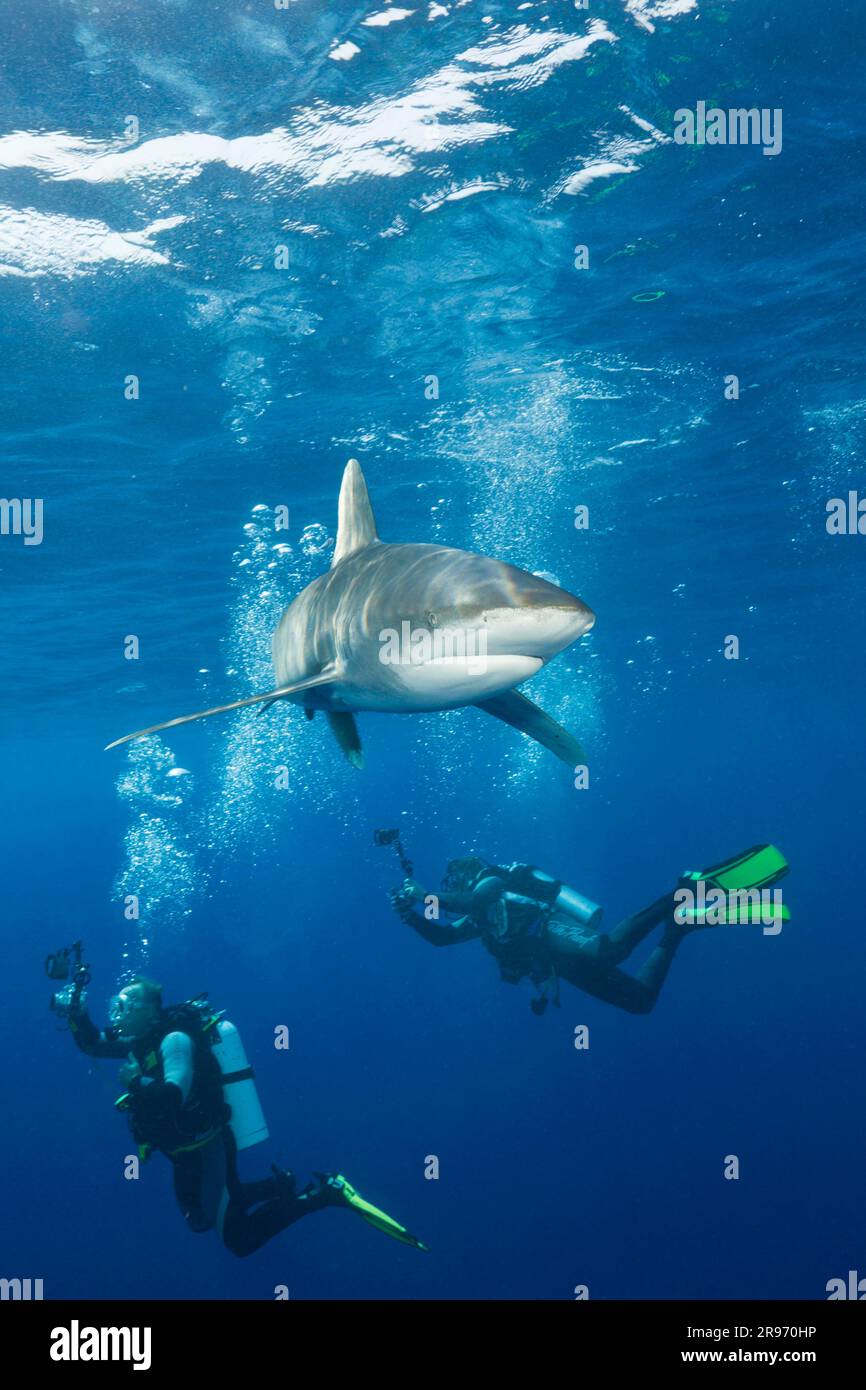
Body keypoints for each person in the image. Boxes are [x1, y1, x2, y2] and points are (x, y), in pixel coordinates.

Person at [65, 975, 427, 1257]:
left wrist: (136, 1080)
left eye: (126, 1004)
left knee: (239, 1242)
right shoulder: (138, 1041)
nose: (117, 1012)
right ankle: (276, 1187)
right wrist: (76, 1008)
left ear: (150, 1010)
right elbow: (92, 1043)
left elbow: (174, 1094)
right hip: (183, 1157)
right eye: (116, 1004)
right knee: (199, 1220)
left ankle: (326, 1195)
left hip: (208, 1152)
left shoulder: (173, 1041)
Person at [390, 845, 789, 1016]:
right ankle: (677, 928)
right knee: (639, 1002)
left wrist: (426, 895)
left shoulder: (492, 883)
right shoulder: (479, 920)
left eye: (453, 879)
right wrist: (412, 919)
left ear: (465, 874)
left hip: (552, 931)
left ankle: (682, 893)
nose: (452, 886)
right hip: (558, 966)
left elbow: (473, 900)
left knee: (611, 950)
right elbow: (443, 938)